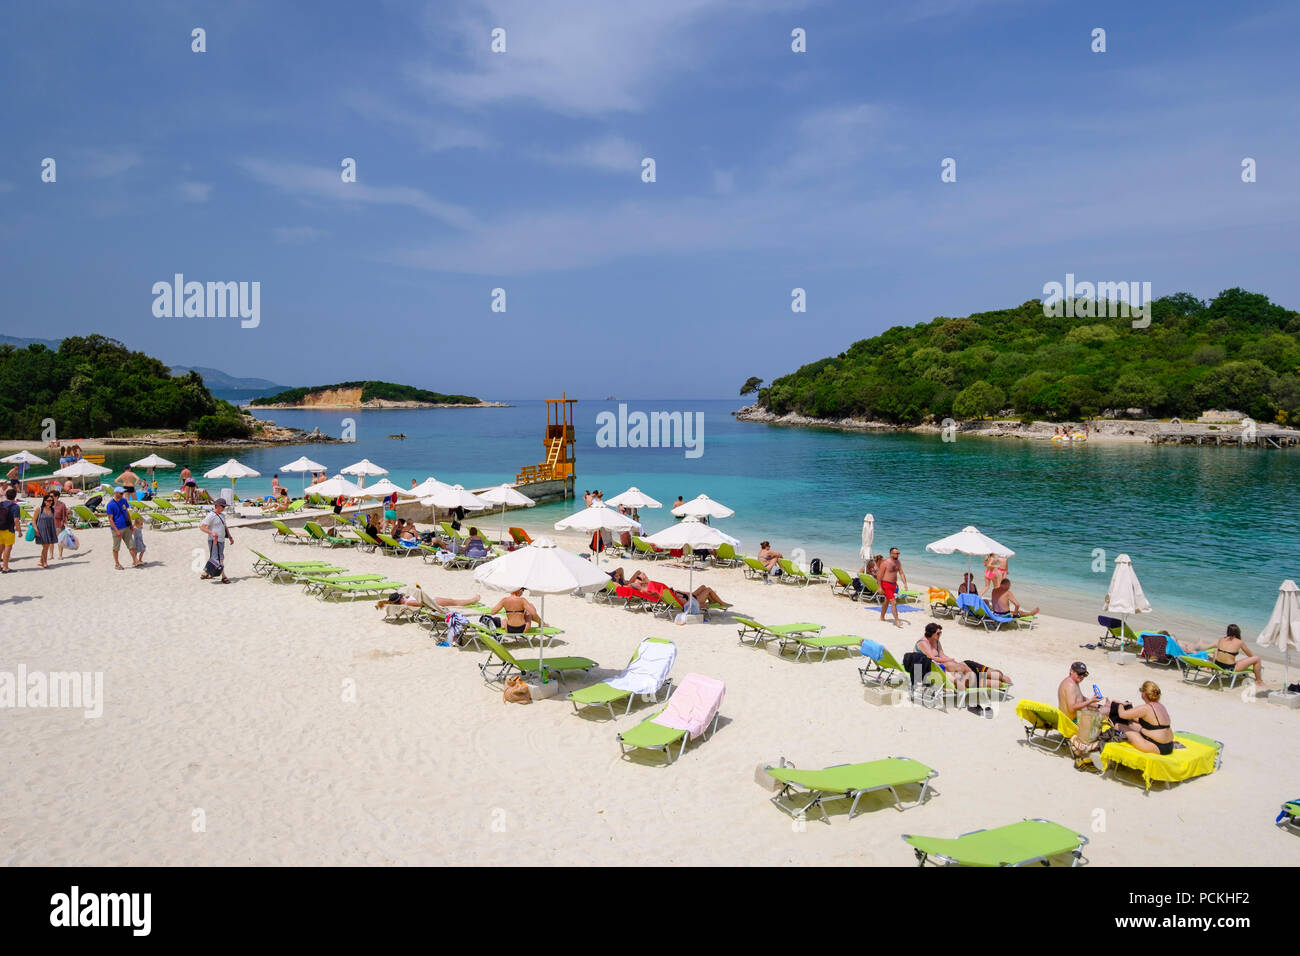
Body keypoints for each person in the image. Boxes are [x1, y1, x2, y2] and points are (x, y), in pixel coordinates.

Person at [913, 623, 986, 715]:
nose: (940, 635)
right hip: (926, 669)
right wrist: (949, 660)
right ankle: (971, 701)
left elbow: (942, 655)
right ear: (931, 633)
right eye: (938, 633)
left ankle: (972, 700)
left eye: (940, 633)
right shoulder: (923, 643)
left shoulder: (936, 641)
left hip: (937, 666)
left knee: (960, 673)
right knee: (959, 675)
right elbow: (932, 657)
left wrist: (952, 661)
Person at [1113, 681, 1174, 755]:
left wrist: (1121, 704)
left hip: (1155, 746)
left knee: (1118, 726)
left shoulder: (1146, 708)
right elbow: (1148, 722)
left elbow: (1122, 714)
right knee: (1134, 725)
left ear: (1144, 694)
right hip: (1169, 745)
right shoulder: (1161, 706)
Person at [199, 497, 234, 583]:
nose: (224, 508)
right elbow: (202, 527)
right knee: (220, 558)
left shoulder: (222, 515)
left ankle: (206, 573)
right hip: (214, 540)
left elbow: (224, 526)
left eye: (224, 506)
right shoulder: (211, 515)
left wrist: (230, 537)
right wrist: (211, 533)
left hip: (221, 540)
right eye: (223, 506)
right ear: (217, 506)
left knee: (214, 557)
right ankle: (223, 576)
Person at [105, 487, 136, 570]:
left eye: (123, 493)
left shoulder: (124, 501)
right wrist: (116, 530)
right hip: (117, 528)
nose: (123, 495)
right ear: (116, 493)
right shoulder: (110, 504)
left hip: (126, 526)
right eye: (121, 493)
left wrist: (131, 524)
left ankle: (135, 561)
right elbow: (110, 519)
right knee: (116, 547)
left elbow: (127, 512)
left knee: (131, 545)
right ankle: (117, 564)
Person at [877, 547, 908, 627]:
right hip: (886, 584)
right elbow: (879, 575)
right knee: (893, 602)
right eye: (896, 553)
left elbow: (901, 573)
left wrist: (905, 584)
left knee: (887, 601)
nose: (898, 555)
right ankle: (897, 621)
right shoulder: (885, 563)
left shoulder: (898, 562)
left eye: (898, 553)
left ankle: (882, 617)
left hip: (894, 585)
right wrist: (879, 587)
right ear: (891, 554)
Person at [32, 492, 58, 569]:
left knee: (45, 547)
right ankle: (45, 562)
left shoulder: (52, 510)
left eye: (51, 500)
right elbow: (33, 520)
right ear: (44, 501)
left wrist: (56, 529)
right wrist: (36, 530)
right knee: (46, 546)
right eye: (48, 500)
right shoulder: (39, 509)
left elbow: (53, 521)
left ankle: (41, 560)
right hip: (41, 529)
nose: (50, 502)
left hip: (50, 529)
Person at [0, 486, 20, 573]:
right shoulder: (15, 506)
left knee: (0, 548)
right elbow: (16, 520)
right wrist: (19, 531)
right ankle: (5, 567)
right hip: (9, 530)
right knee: (8, 549)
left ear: (6, 495)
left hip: (0, 528)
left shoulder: (1, 504)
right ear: (15, 496)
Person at [50, 489, 69, 559]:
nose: (50, 498)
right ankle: (51, 555)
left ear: (57, 497)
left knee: (60, 540)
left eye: (52, 496)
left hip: (59, 524)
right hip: (50, 524)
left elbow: (65, 515)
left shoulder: (62, 505)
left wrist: (64, 524)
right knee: (51, 541)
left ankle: (60, 555)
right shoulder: (49, 504)